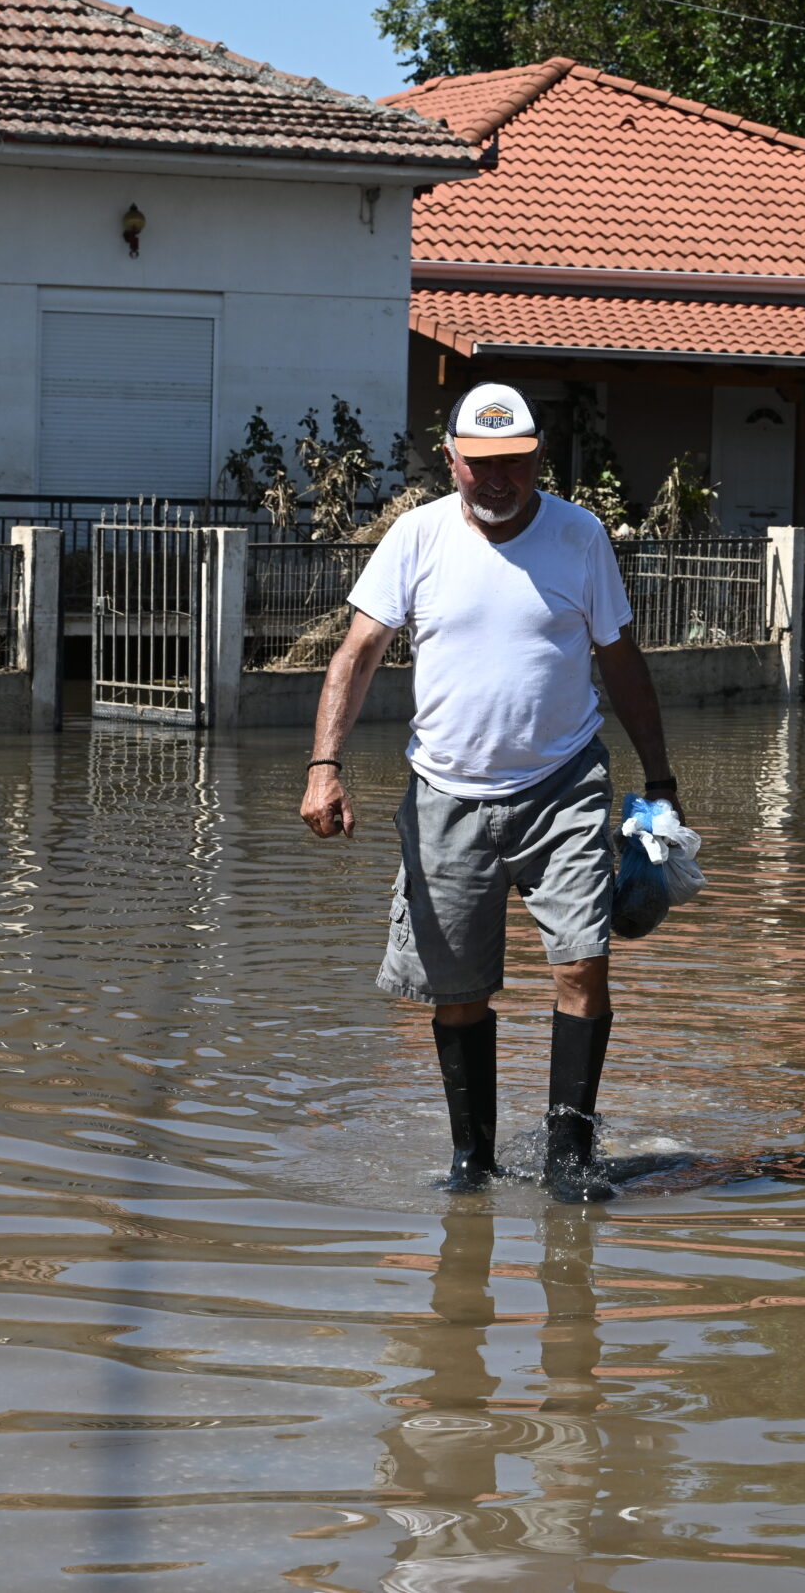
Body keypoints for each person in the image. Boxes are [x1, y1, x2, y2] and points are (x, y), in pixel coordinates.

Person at [299, 382, 683, 1204]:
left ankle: (569, 1162)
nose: (500, 479)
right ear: (452, 462)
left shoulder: (580, 538)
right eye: (481, 466)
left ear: (539, 456)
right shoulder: (417, 536)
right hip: (447, 794)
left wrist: (660, 780)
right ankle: (472, 1161)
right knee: (458, 990)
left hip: (565, 784)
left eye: (516, 462)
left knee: (583, 963)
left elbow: (621, 661)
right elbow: (358, 654)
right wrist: (324, 765)